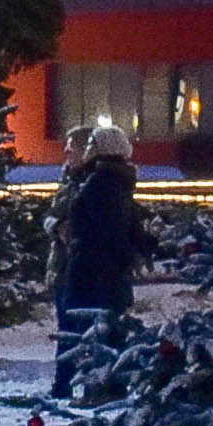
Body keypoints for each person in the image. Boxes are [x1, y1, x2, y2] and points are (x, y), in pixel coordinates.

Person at [49, 123, 141, 400]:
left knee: (93, 331)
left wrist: (77, 239)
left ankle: (101, 388)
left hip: (93, 273)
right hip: (88, 270)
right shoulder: (96, 181)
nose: (73, 152)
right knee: (83, 330)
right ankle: (90, 385)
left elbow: (104, 231)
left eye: (89, 145)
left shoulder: (101, 183)